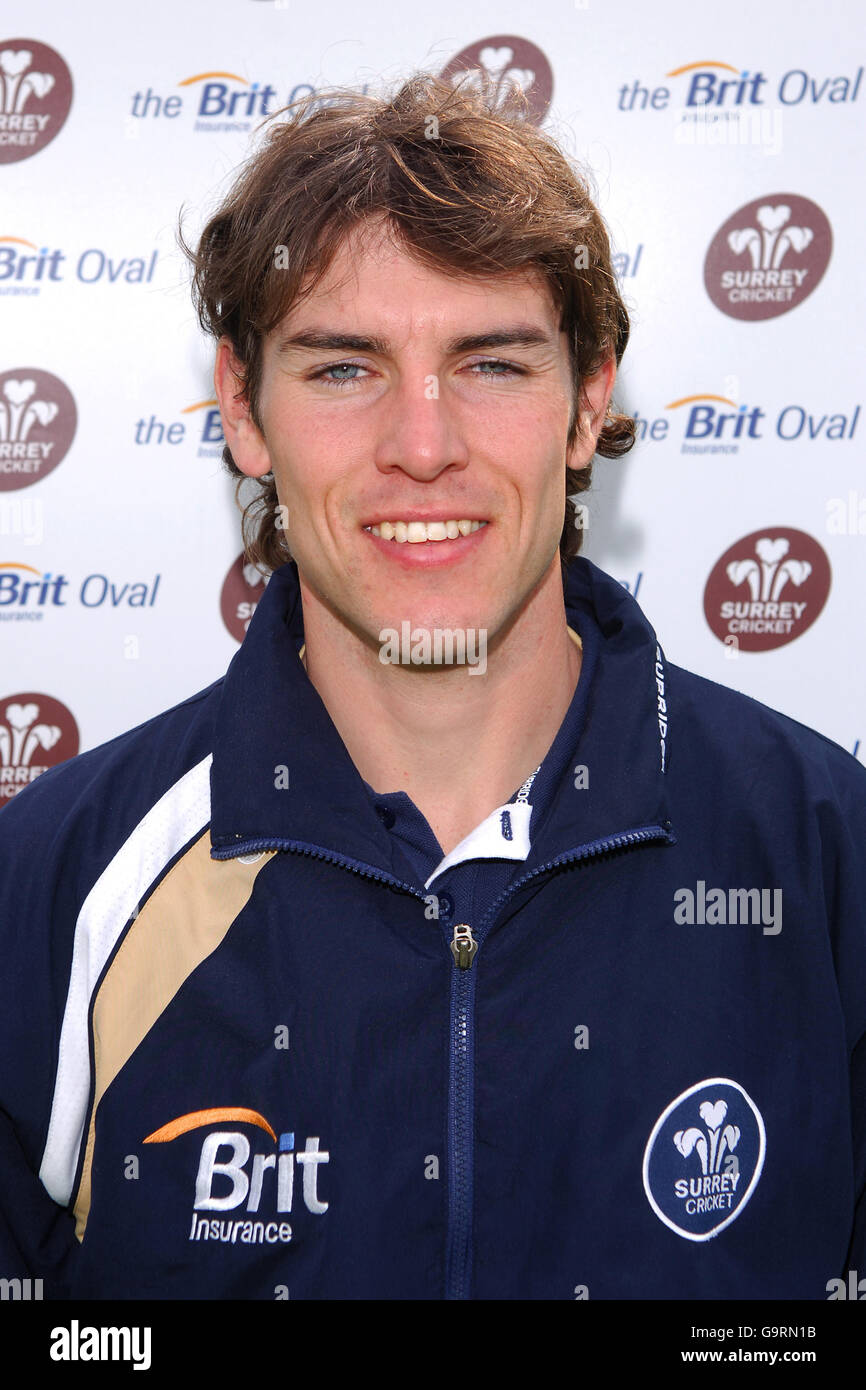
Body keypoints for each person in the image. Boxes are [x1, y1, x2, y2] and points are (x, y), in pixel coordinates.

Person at [1, 72, 864, 1302]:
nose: (422, 444)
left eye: (493, 364)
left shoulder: (823, 853)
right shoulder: (55, 887)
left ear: (588, 399)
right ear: (242, 409)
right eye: (343, 368)